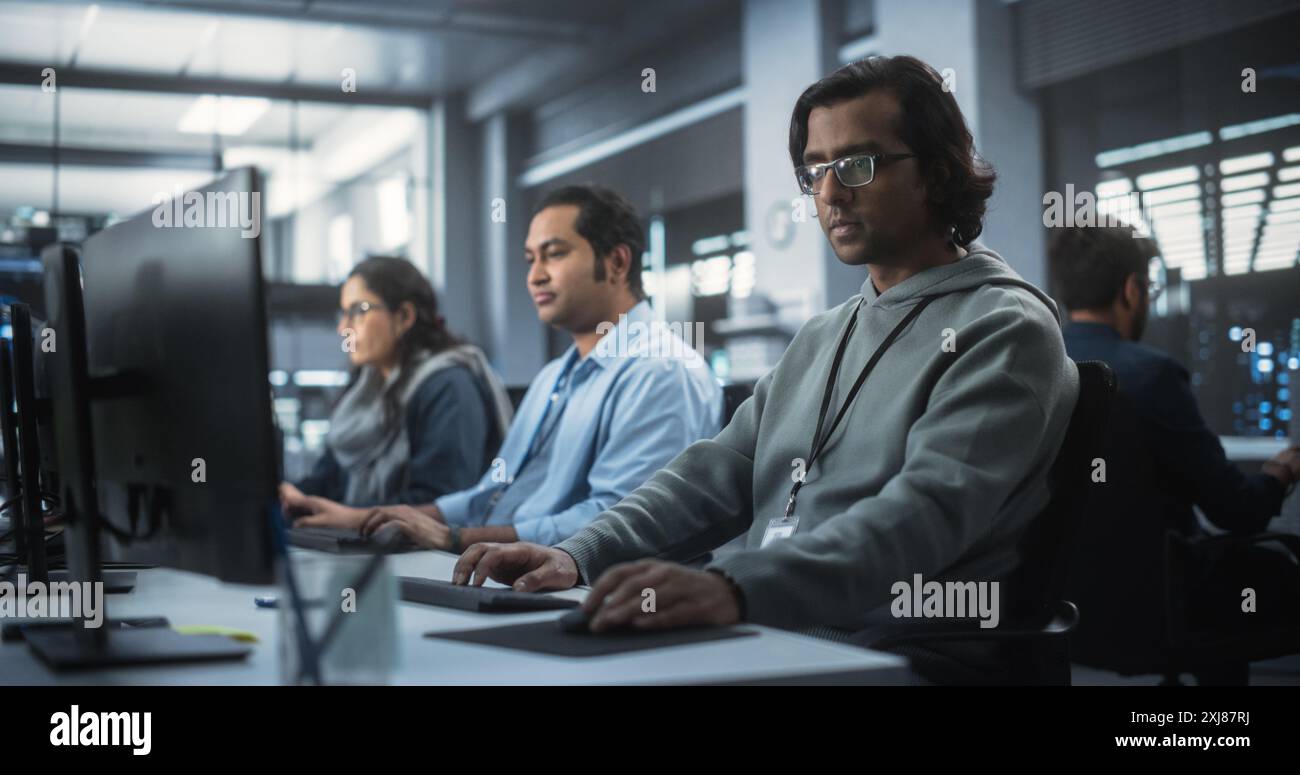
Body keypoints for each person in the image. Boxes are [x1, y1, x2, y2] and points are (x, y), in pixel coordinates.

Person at [451, 56, 1080, 661]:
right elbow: (714, 471)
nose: (829, 193)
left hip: (895, 652)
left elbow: (925, 515)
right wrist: (578, 553)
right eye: (815, 170)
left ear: (938, 173)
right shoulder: (822, 336)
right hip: (772, 632)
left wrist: (737, 588)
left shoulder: (1002, 327)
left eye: (858, 164)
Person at [292, 185, 723, 552]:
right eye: (530, 259)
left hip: (589, 588)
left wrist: (453, 538)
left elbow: (615, 522)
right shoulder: (554, 376)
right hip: (521, 572)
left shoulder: (660, 372)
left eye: (553, 255)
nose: (535, 275)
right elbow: (490, 496)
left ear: (617, 263)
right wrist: (365, 517)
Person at [1051, 224, 1300, 663]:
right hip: (1157, 607)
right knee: (1274, 573)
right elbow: (1237, 510)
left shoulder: (1036, 368)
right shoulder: (1153, 375)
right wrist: (1281, 472)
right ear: (1131, 290)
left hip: (1057, 610)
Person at [281, 255, 512, 514]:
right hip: (370, 544)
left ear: (403, 316)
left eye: (358, 311)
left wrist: (347, 517)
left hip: (428, 553)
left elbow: (438, 503)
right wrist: (291, 497)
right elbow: (329, 481)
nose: (343, 328)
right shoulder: (366, 388)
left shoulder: (449, 387)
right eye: (343, 313)